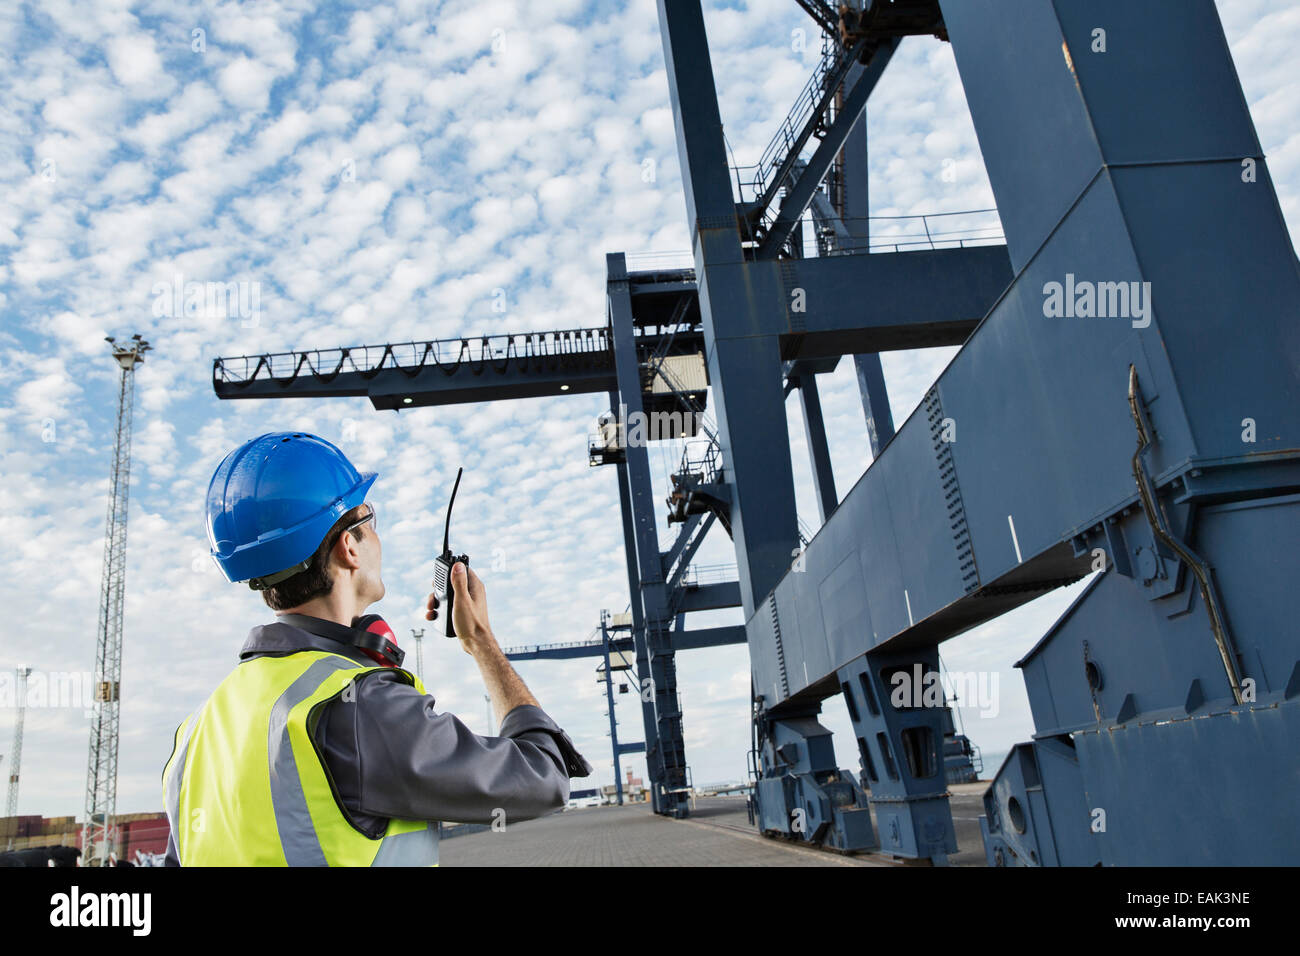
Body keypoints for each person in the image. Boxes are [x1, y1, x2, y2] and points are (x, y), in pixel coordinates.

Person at [163, 432, 590, 866]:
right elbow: (543, 776)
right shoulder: (359, 705)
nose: (379, 539)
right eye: (372, 522)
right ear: (350, 547)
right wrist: (481, 642)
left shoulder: (193, 736)